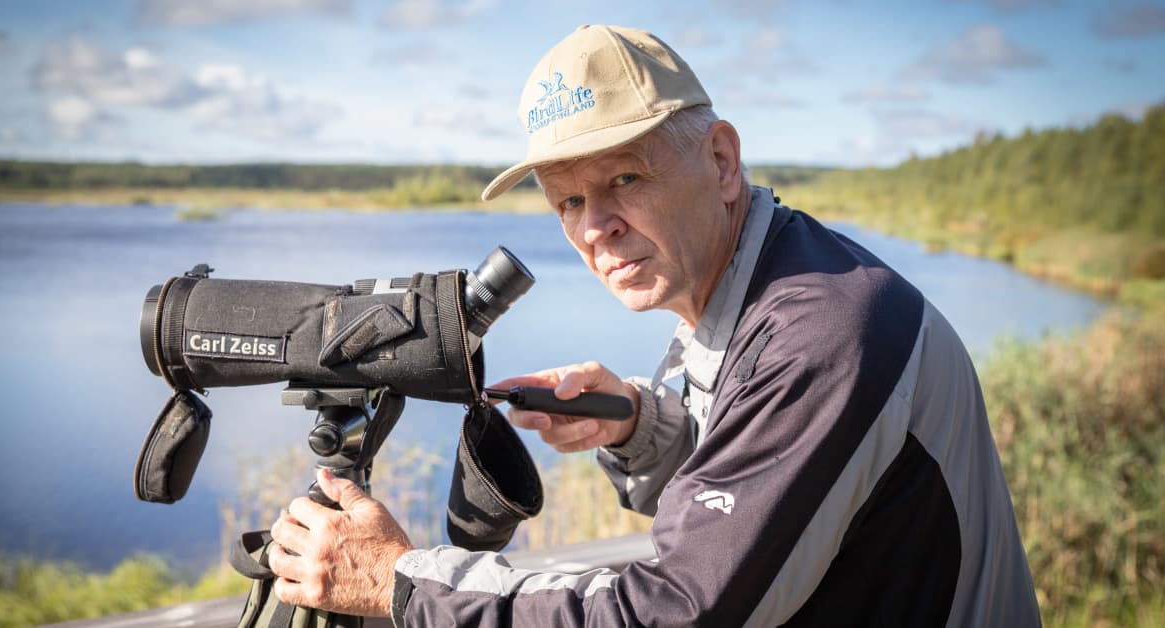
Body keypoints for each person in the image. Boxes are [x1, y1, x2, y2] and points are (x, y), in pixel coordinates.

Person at [267, 24, 1042, 627]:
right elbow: (781, 498)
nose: (595, 225)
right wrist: (640, 424)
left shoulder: (826, 329)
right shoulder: (759, 281)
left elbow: (676, 610)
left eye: (624, 178)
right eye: (567, 201)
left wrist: (403, 585)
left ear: (722, 160)